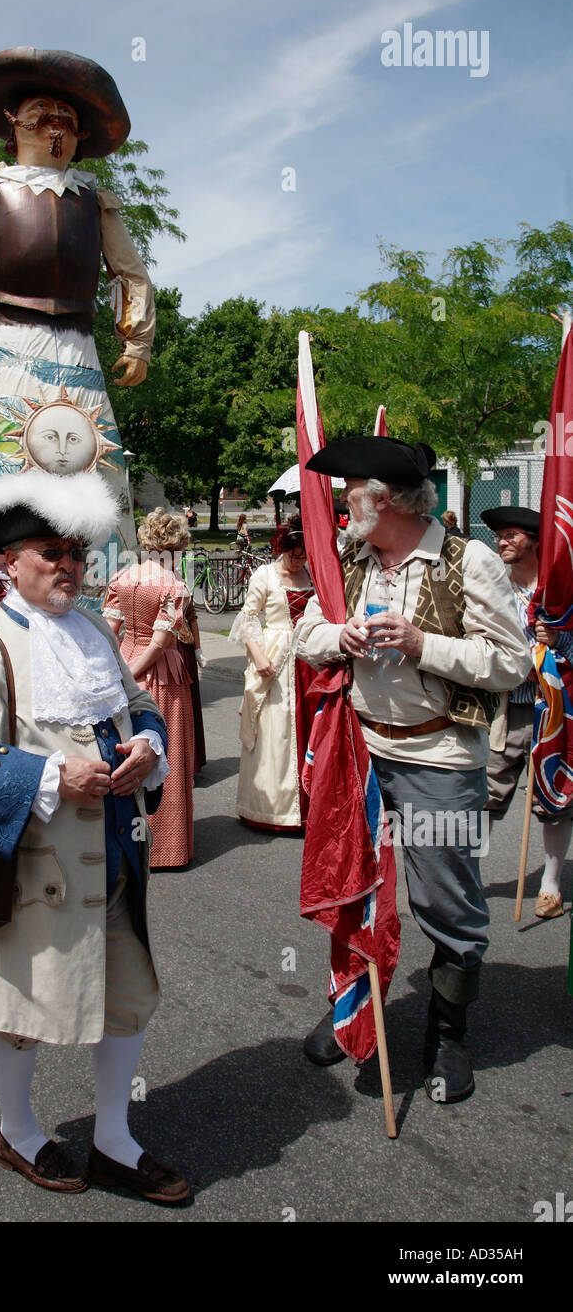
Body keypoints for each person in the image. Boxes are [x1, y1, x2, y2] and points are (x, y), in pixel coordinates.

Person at [0, 471, 188, 1202]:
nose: (67, 563)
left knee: (124, 998)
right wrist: (48, 778)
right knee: (22, 1014)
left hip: (118, 858)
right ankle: (20, 1130)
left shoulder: (95, 629)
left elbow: (137, 703)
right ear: (9, 561)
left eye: (75, 549)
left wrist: (149, 748)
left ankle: (113, 1139)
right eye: (49, 550)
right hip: (34, 866)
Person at [294, 436, 531, 1103]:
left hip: (439, 758)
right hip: (361, 753)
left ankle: (448, 1033)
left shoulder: (467, 561)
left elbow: (511, 665)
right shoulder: (348, 557)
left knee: (444, 902)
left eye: (353, 493)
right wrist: (336, 637)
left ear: (386, 499)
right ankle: (349, 1012)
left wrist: (424, 644)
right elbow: (304, 633)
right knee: (353, 889)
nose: (344, 504)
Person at [0, 47, 155, 610]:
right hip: (7, 343)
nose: (54, 124)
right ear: (13, 123)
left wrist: (138, 340)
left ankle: (97, 609)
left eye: (66, 118)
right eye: (41, 111)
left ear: (79, 137)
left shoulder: (94, 201)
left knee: (88, 467)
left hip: (80, 350)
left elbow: (128, 273)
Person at [480, 506, 572, 919]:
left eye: (511, 534)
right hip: (507, 710)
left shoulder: (561, 594)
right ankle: (465, 877)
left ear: (535, 539)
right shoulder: (492, 589)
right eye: (499, 534)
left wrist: (559, 640)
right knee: (486, 793)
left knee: (552, 801)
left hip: (551, 710)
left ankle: (550, 884)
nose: (501, 540)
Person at [105, 508, 195, 869]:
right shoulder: (174, 585)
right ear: (176, 544)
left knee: (130, 749)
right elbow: (160, 642)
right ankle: (166, 848)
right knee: (166, 749)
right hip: (162, 675)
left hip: (124, 660)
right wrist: (135, 675)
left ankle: (130, 839)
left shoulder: (123, 577)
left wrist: (118, 672)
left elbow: (110, 630)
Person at [229, 524, 314, 830]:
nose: (299, 560)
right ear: (282, 550)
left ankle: (309, 807)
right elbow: (248, 618)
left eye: (304, 555)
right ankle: (271, 810)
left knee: (309, 731)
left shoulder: (311, 574)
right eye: (294, 554)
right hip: (275, 659)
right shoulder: (265, 575)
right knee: (276, 733)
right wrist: (259, 656)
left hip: (308, 659)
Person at [175, 593, 206, 776]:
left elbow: (192, 617)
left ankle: (190, 764)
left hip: (183, 649)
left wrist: (198, 650)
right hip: (159, 649)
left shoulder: (181, 584)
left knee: (188, 707)